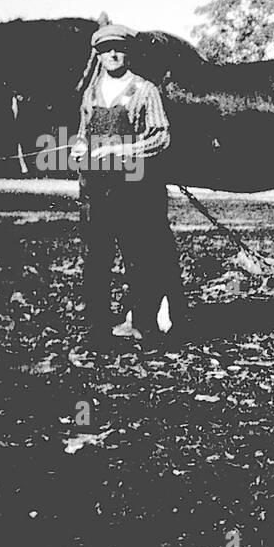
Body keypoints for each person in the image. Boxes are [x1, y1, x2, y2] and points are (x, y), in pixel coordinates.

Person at [71, 23, 182, 345]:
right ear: (98, 55)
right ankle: (97, 328)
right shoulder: (90, 93)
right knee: (95, 260)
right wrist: (79, 149)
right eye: (106, 50)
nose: (113, 54)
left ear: (128, 52)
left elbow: (161, 137)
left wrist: (122, 149)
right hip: (94, 188)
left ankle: (143, 326)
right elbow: (82, 134)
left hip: (133, 189)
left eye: (118, 48)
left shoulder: (144, 90)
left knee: (139, 258)